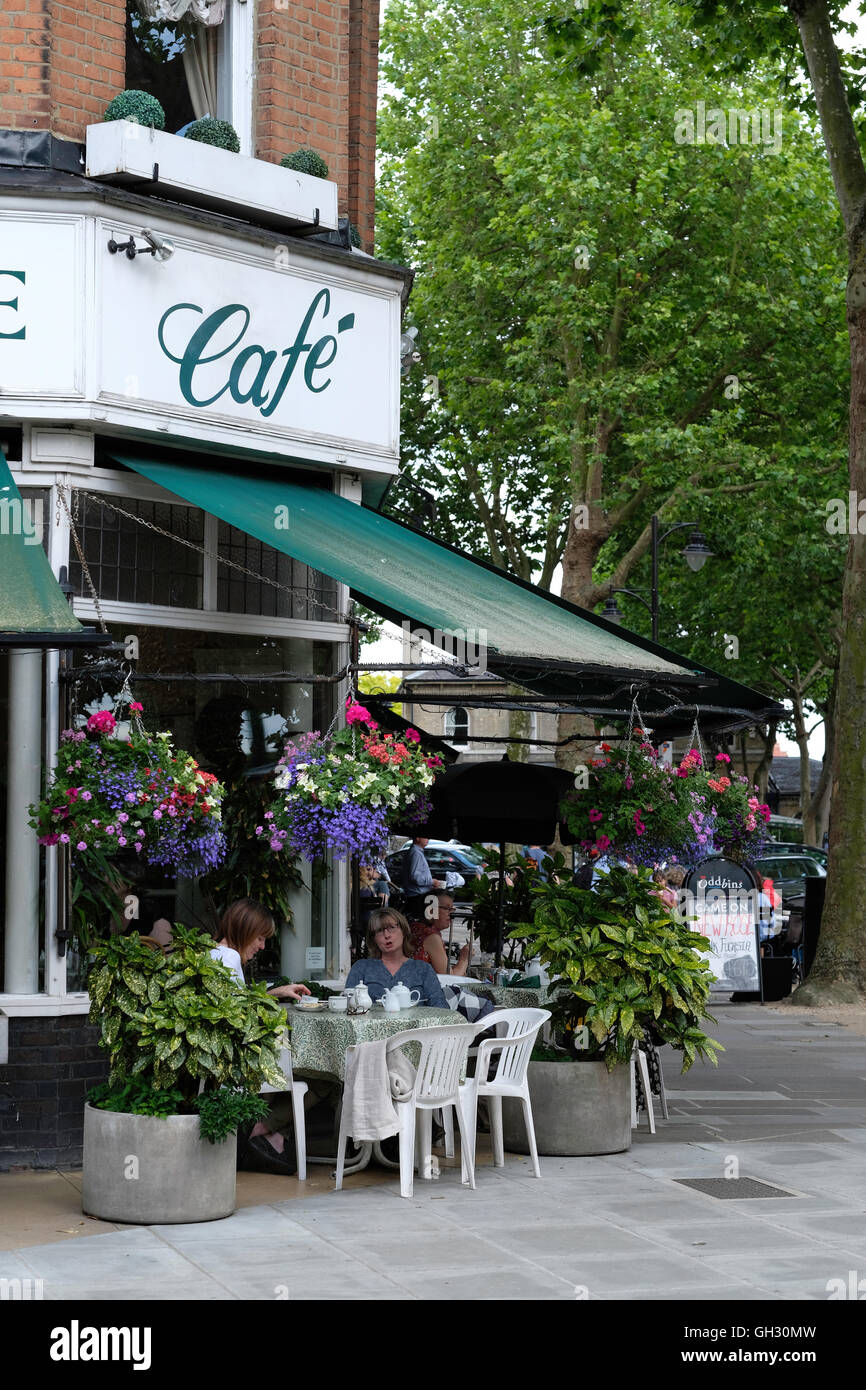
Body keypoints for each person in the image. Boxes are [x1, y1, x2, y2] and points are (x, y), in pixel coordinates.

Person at [210, 899, 311, 1175]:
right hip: (243, 1063)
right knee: (321, 1076)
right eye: (260, 938)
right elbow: (239, 1018)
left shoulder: (215, 953)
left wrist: (275, 992)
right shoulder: (228, 958)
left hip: (228, 1061)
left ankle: (268, 1134)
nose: (262, 946)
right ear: (244, 930)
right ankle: (267, 1132)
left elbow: (233, 1005)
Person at [345, 908, 447, 1006]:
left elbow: (441, 1008)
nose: (386, 935)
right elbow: (348, 1007)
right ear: (374, 939)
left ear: (403, 931)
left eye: (391, 928)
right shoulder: (362, 968)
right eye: (379, 931)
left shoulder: (423, 969)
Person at [409, 890, 472, 976]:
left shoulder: (415, 927)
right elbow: (450, 978)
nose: (451, 913)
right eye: (446, 908)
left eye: (451, 909)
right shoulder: (431, 937)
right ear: (430, 911)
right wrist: (464, 958)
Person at [401, 836, 446, 918]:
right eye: (425, 837)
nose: (428, 839)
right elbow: (415, 877)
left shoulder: (416, 852)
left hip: (417, 895)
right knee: (427, 923)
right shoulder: (416, 853)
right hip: (418, 897)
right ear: (417, 838)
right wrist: (432, 882)